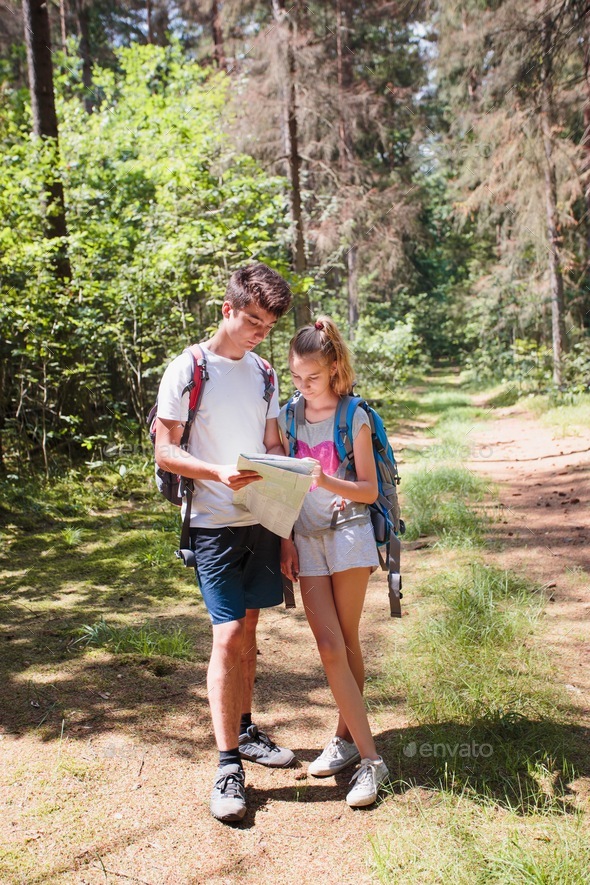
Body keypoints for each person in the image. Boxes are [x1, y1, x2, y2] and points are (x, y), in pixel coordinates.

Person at [154, 263, 295, 824]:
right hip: (212, 522)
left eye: (269, 325)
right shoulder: (187, 369)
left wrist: (285, 529)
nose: (260, 332)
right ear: (227, 310)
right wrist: (216, 473)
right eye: (252, 320)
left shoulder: (263, 373)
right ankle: (227, 765)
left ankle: (244, 726)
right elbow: (166, 452)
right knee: (228, 634)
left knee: (251, 631)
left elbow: (272, 446)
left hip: (260, 520)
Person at [278, 316, 389, 808]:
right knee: (328, 646)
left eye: (312, 378)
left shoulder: (354, 415)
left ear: (335, 370)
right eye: (296, 378)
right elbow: (280, 483)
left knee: (344, 642)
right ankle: (359, 749)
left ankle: (362, 755)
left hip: (348, 536)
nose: (303, 388)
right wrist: (284, 538)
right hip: (306, 538)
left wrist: (326, 481)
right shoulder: (286, 417)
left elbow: (367, 489)